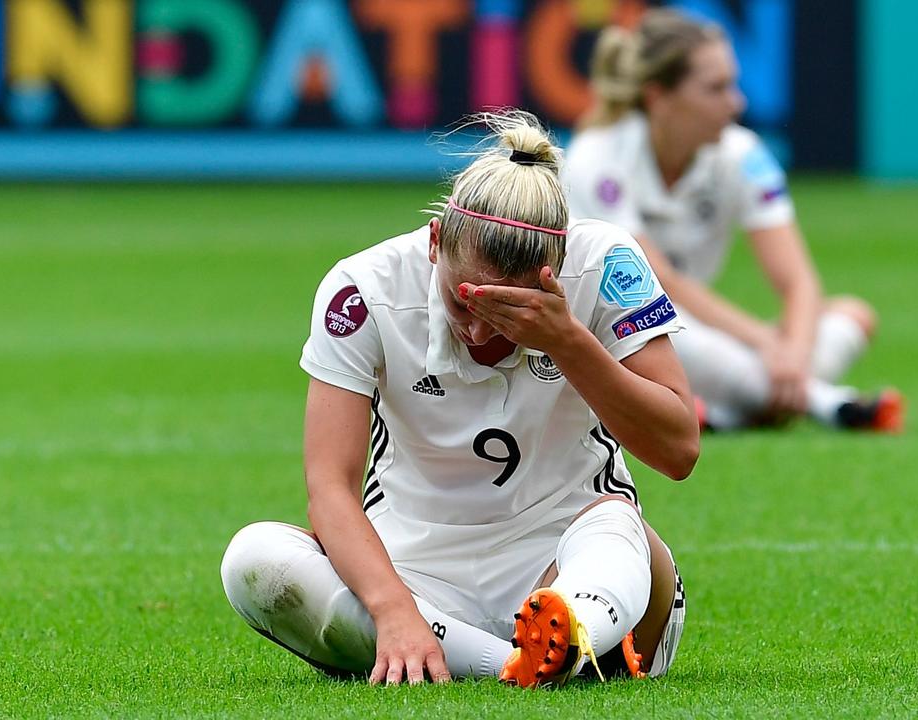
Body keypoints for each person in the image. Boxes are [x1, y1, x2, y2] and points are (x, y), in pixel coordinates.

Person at [220, 111, 698, 688]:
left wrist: (566, 340)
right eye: (463, 303)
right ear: (435, 240)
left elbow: (678, 450)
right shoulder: (362, 289)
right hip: (415, 577)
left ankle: (568, 633)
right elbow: (328, 489)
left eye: (507, 313)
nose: (479, 333)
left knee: (621, 531)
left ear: (558, 270)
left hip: (569, 556)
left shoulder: (606, 261)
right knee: (253, 560)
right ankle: (517, 665)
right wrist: (394, 610)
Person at [562, 9, 903, 432]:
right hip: (616, 331)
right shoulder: (596, 156)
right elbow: (659, 282)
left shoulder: (745, 154)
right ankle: (832, 404)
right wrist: (763, 341)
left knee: (853, 315)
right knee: (664, 333)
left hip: (703, 333)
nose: (736, 102)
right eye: (716, 89)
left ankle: (725, 412)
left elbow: (798, 282)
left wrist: (793, 352)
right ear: (658, 97)